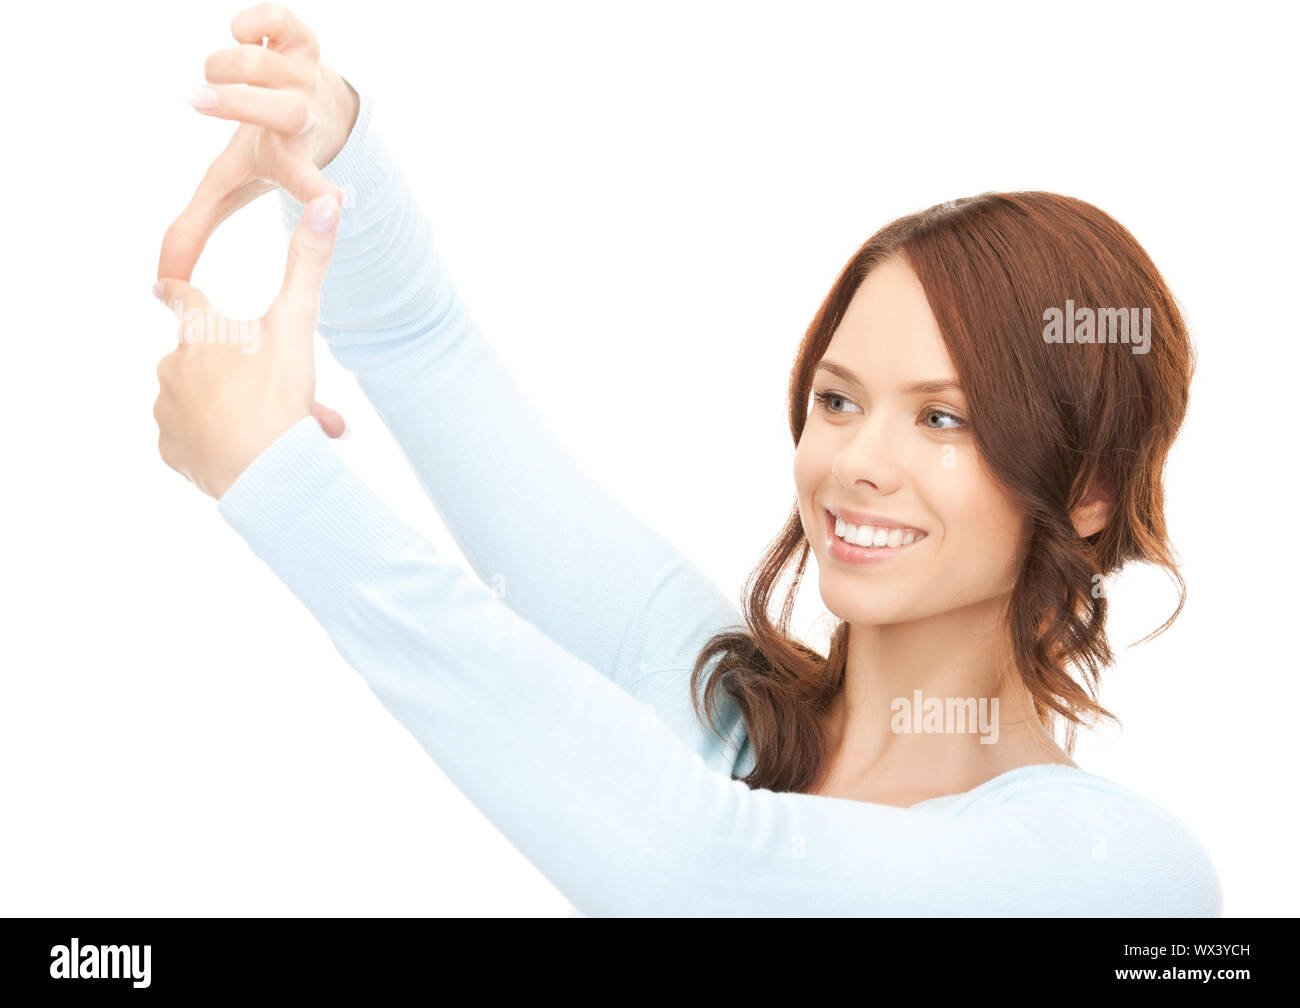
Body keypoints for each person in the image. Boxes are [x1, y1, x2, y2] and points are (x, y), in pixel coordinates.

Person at [152, 4, 1222, 916]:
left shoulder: (1123, 878)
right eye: (837, 400)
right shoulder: (707, 702)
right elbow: (421, 345)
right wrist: (331, 153)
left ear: (1087, 491)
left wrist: (284, 485)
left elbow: (712, 877)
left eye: (941, 420)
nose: (856, 461)